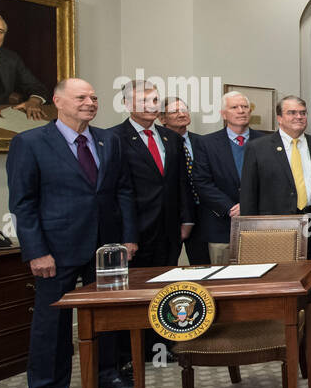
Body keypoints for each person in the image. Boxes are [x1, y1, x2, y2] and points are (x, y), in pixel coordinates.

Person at [6, 79, 138, 388]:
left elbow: (123, 190)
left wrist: (128, 238)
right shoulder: (30, 143)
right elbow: (23, 204)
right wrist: (36, 251)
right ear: (57, 101)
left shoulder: (109, 140)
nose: (90, 102)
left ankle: (107, 372)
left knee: (107, 314)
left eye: (94, 97)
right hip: (56, 251)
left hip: (106, 249)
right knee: (52, 325)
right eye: (81, 97)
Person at [239, 95, 311, 350]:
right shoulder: (258, 148)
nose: (299, 117)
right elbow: (249, 192)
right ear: (279, 118)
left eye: (302, 112)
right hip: (276, 226)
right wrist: (250, 230)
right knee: (281, 280)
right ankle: (279, 332)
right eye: (292, 113)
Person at [111, 80, 194, 268]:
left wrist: (187, 218)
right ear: (127, 103)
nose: (151, 105)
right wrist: (127, 235)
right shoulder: (114, 138)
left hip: (170, 229)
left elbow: (182, 181)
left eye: (155, 100)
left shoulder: (172, 138)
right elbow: (116, 190)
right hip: (136, 230)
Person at [191, 91, 270, 265]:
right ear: (223, 114)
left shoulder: (268, 142)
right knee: (224, 282)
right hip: (221, 225)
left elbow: (272, 181)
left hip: (259, 224)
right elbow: (202, 182)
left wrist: (248, 205)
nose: (241, 111)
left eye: (245, 107)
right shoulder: (206, 143)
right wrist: (229, 207)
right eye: (234, 107)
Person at [157, 96, 210, 264]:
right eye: (174, 111)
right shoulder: (157, 142)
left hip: (201, 212)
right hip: (169, 214)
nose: (181, 114)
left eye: (184, 110)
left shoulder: (203, 142)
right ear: (162, 118)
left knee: (202, 263)